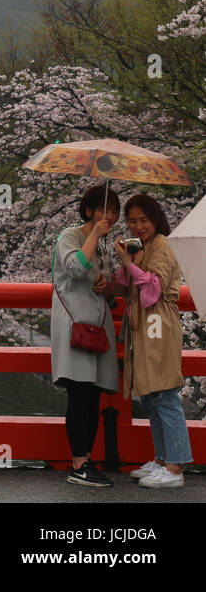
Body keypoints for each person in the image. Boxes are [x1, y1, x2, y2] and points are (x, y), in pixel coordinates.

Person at [110, 193, 191, 489]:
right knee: (150, 395)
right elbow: (123, 286)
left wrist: (130, 263)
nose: (137, 226)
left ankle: (175, 465)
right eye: (132, 221)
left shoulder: (163, 247)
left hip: (158, 321)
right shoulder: (143, 248)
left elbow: (152, 290)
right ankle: (161, 458)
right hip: (143, 324)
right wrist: (126, 262)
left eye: (143, 220)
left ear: (155, 219)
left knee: (164, 393)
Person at [50, 184, 120, 487]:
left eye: (115, 211)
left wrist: (109, 289)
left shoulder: (103, 244)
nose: (110, 216)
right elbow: (76, 268)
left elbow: (102, 282)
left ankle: (86, 459)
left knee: (92, 396)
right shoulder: (69, 236)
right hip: (75, 327)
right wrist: (94, 234)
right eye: (104, 209)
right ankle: (78, 463)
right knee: (79, 394)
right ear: (89, 210)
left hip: (97, 328)